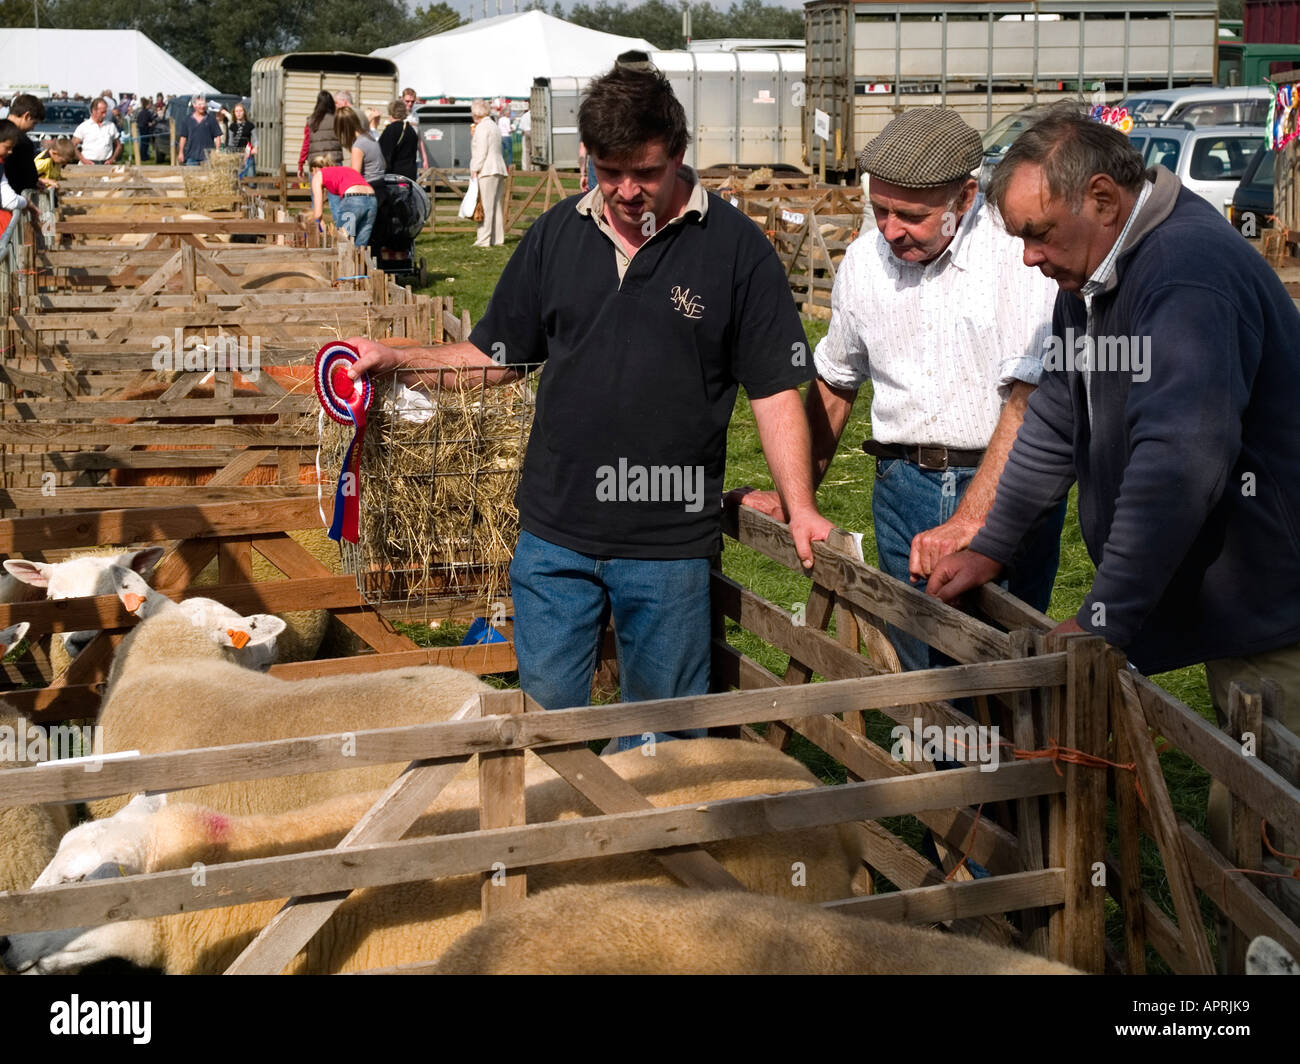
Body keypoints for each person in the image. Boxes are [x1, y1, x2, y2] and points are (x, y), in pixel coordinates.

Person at [343, 62, 832, 750]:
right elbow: (495, 359)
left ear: (678, 154)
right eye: (610, 172)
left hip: (667, 543)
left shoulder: (734, 250)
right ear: (588, 159)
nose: (628, 191)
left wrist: (801, 505)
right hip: (553, 539)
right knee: (547, 742)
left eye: (646, 172)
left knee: (662, 749)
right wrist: (398, 359)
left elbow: (775, 392)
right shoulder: (555, 236)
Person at [925, 106, 1300, 909]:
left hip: (1280, 596)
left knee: (1271, 820)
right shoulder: (1095, 274)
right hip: (1235, 588)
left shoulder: (1186, 272)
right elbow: (1061, 412)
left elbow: (1183, 460)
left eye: (1038, 232)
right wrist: (992, 542)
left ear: (1101, 198)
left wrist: (1107, 617)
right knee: (1250, 802)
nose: (1028, 258)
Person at [740, 107, 1065, 672]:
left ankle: (1006, 758)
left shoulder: (1017, 257)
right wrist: (797, 498)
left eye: (911, 215)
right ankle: (921, 760)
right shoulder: (866, 262)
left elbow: (1030, 398)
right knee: (914, 669)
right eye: (879, 208)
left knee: (1002, 666)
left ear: (965, 197)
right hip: (902, 484)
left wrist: (973, 517)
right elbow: (836, 382)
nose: (890, 228)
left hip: (1006, 485)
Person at [310, 157, 376, 246]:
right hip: (372, 199)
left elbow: (318, 214)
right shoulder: (344, 169)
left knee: (342, 243)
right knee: (360, 247)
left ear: (314, 169)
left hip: (353, 200)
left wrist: (316, 226)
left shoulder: (318, 175)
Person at [470, 98, 508, 248]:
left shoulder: (481, 128)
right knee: (496, 205)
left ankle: (483, 239)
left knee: (485, 206)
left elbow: (481, 151)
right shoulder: (493, 125)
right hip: (498, 168)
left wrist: (474, 169)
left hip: (487, 169)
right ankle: (497, 238)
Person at [2, 95, 44, 196]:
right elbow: (29, 178)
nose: (33, 128)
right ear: (27, 116)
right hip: (14, 200)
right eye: (34, 123)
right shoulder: (23, 142)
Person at [297, 91, 341, 177]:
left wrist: (300, 165)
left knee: (316, 189)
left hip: (316, 164)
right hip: (334, 162)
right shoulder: (338, 120)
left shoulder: (311, 121)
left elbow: (306, 144)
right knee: (333, 190)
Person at [337, 106, 383, 183]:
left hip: (369, 188)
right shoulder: (369, 136)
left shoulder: (358, 146)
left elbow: (354, 177)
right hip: (379, 185)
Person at [379, 100, 419, 180]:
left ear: (391, 113)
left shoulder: (390, 130)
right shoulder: (411, 130)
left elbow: (382, 155)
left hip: (394, 178)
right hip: (409, 178)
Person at [177, 95, 222, 167]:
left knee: (207, 177)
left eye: (203, 104)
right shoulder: (187, 119)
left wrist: (217, 151)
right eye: (199, 104)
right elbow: (183, 137)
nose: (202, 106)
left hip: (208, 157)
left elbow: (217, 136)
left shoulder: (211, 119)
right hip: (191, 156)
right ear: (194, 105)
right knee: (191, 177)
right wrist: (181, 152)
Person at [73, 98, 121, 165]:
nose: (104, 115)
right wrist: (83, 160)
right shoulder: (83, 127)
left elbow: (118, 145)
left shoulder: (111, 126)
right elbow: (73, 145)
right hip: (87, 165)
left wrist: (112, 159)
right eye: (102, 112)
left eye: (105, 112)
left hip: (105, 165)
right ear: (94, 111)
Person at [223, 101, 257, 179]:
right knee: (236, 179)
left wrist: (255, 148)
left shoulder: (250, 125)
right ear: (234, 113)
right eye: (236, 111)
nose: (238, 113)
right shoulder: (232, 126)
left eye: (240, 111)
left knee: (251, 179)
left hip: (248, 155)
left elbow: (255, 139)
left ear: (244, 112)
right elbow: (230, 142)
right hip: (236, 155)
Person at [496, 103, 513, 169]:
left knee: (502, 153)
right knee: (509, 152)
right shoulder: (507, 120)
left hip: (501, 136)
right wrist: (512, 129)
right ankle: (509, 166)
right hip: (507, 136)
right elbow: (509, 130)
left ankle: (501, 166)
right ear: (507, 113)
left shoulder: (500, 119)